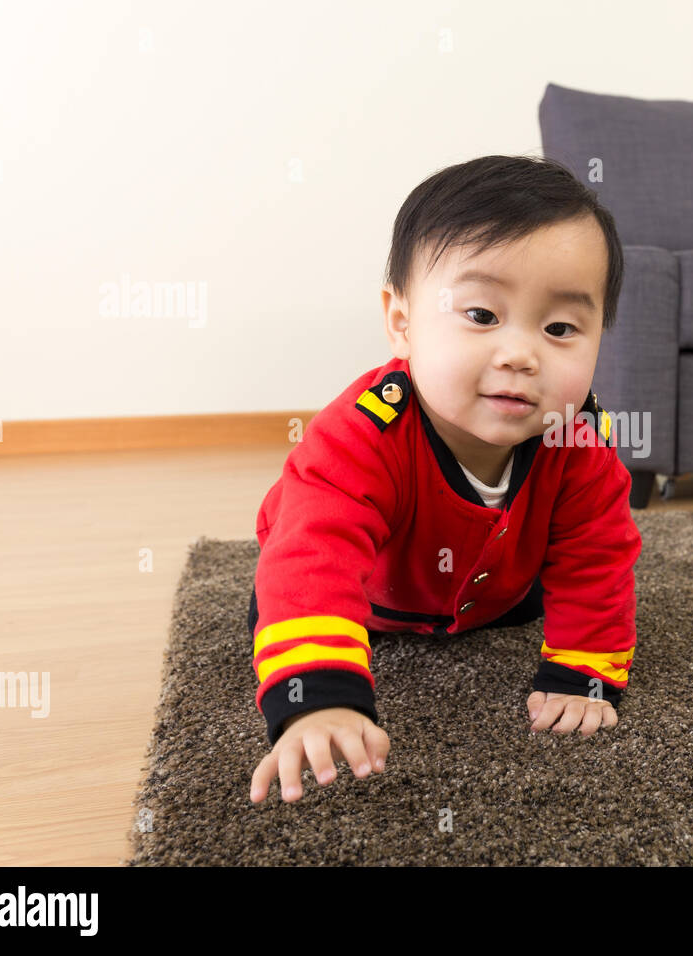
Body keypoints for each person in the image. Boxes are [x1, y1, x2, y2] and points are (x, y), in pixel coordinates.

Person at [249, 155, 640, 804]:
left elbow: (598, 554)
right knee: (289, 588)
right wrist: (316, 698)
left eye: (561, 328)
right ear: (402, 323)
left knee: (560, 587)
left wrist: (584, 671)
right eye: (482, 316)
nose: (521, 354)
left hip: (493, 583)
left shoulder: (577, 438)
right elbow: (315, 550)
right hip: (374, 584)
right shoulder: (363, 433)